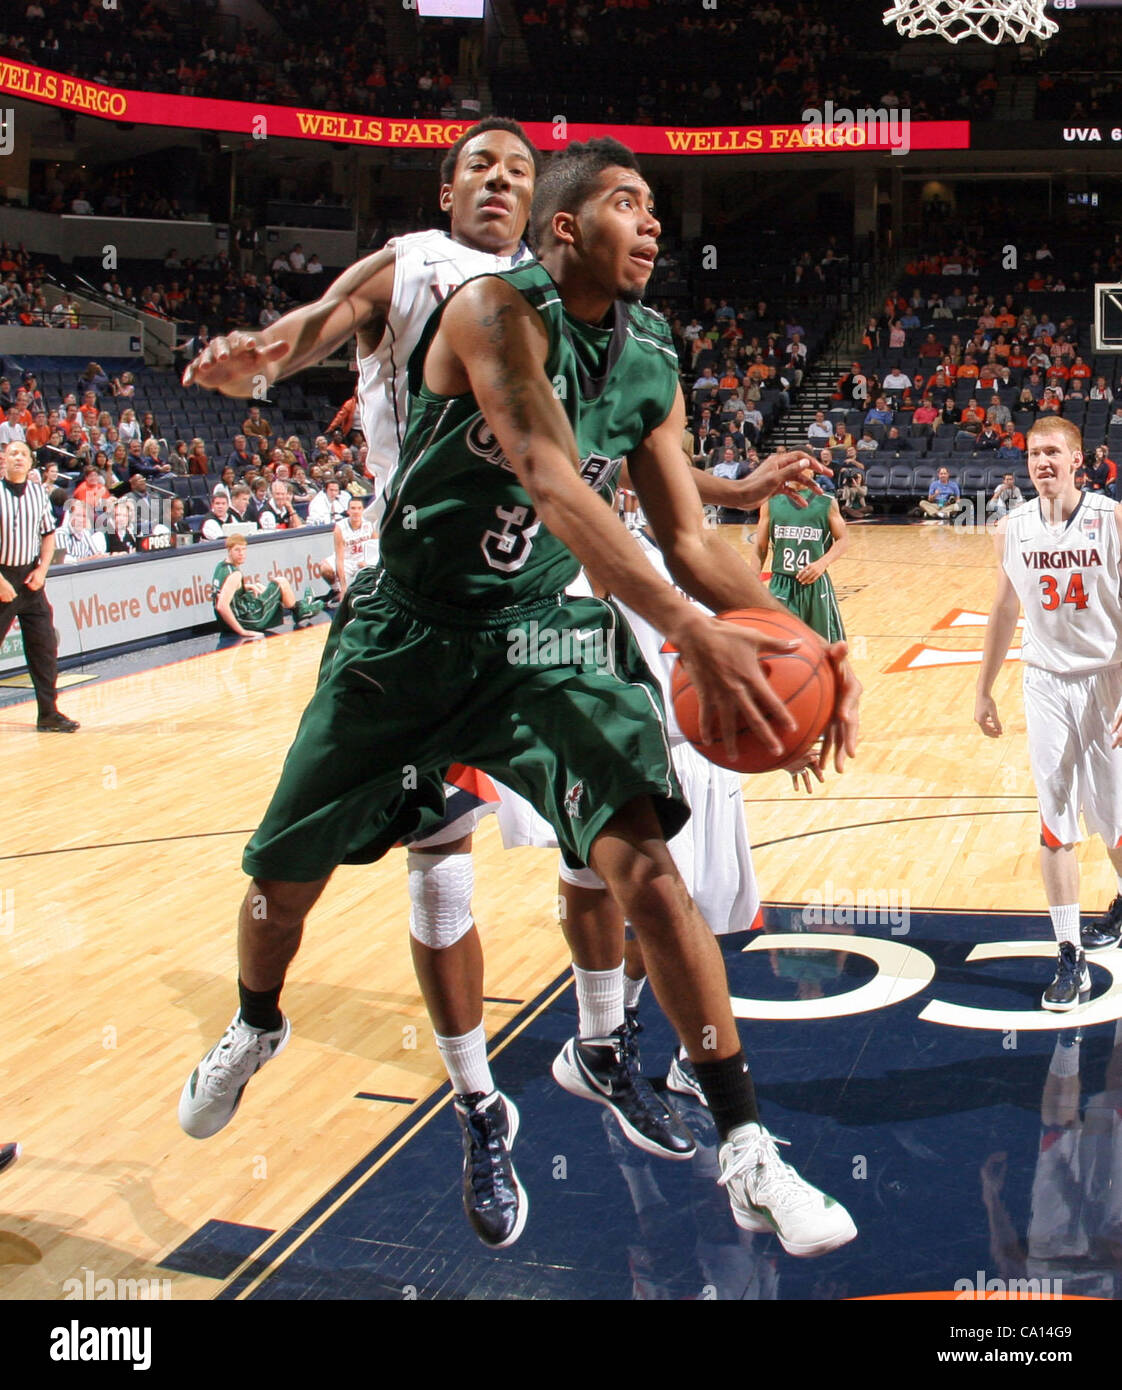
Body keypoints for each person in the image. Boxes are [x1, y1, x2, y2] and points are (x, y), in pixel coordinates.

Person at [178, 137, 860, 1258]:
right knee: (281, 879)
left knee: (644, 859)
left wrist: (809, 649)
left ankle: (745, 1145)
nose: (652, 226)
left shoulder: (650, 351)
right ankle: (256, 1023)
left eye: (656, 209)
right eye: (626, 205)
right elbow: (547, 478)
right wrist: (693, 632)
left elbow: (687, 534)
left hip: (543, 635)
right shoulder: (490, 312)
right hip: (409, 632)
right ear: (562, 230)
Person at [975, 417, 1122, 1008]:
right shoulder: (1010, 529)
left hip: (1106, 679)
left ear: (1077, 458)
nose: (1042, 462)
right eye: (1034, 453)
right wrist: (983, 688)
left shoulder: (1111, 520)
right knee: (1056, 816)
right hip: (1045, 683)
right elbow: (1005, 608)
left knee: (1114, 820)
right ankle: (1069, 956)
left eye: (1053, 452)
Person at [0, 442, 79, 731]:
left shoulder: (37, 493)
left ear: (31, 462)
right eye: (12, 453)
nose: (18, 458)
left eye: (23, 454)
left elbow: (48, 535)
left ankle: (48, 714)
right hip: (1, 577)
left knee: (44, 649)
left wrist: (42, 571)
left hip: (31, 580)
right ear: (4, 460)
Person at [753, 482, 848, 642]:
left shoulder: (826, 502)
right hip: (781, 584)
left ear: (812, 469)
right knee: (780, 643)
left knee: (826, 646)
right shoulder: (771, 502)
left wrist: (822, 563)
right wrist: (753, 579)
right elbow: (760, 547)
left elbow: (843, 540)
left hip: (814, 584)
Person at [211, 533, 320, 638]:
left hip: (227, 623)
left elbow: (226, 590)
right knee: (280, 582)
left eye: (244, 549)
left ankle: (300, 608)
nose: (241, 553)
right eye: (237, 550)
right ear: (229, 550)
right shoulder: (235, 574)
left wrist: (248, 586)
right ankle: (301, 610)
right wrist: (243, 632)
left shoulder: (220, 566)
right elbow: (221, 606)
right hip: (246, 621)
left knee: (257, 588)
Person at [333, 495, 378, 599]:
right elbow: (339, 558)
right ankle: (336, 590)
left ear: (363, 510)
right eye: (353, 508)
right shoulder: (339, 528)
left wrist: (369, 562)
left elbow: (376, 550)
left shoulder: (370, 523)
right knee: (325, 567)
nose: (356, 511)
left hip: (364, 559)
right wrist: (343, 586)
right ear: (348, 511)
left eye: (359, 508)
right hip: (347, 560)